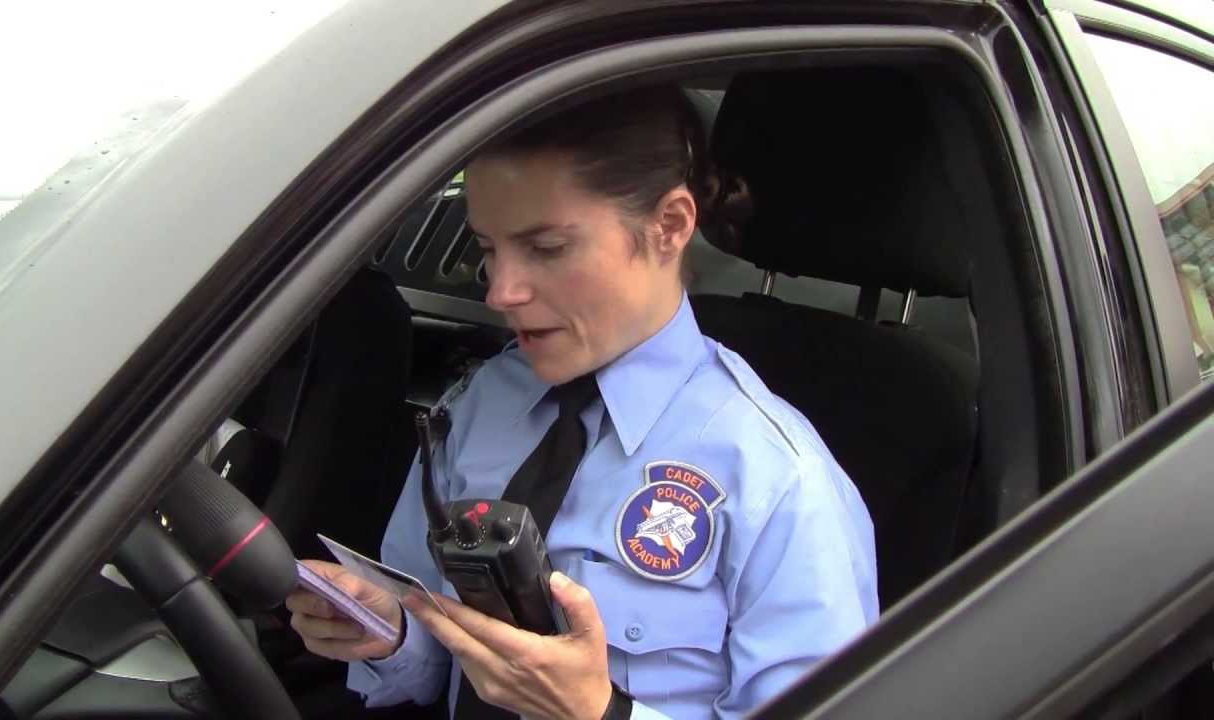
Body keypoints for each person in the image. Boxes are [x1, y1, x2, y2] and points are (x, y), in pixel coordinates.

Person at [286, 84, 878, 720]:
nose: (501, 291)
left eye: (547, 249)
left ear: (670, 227)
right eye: (488, 249)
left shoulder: (775, 479)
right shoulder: (481, 403)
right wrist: (393, 632)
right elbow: (443, 651)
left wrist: (600, 712)